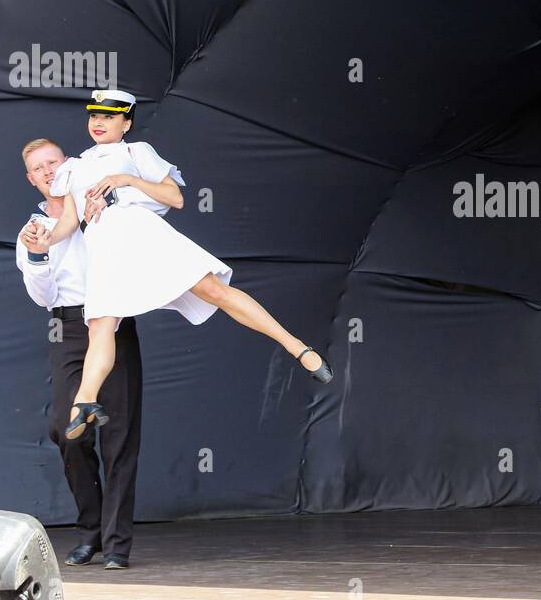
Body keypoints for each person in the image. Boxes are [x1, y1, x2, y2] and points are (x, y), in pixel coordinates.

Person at [43, 88, 332, 441]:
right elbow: (69, 222)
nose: (99, 122)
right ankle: (84, 403)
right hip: (103, 245)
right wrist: (42, 241)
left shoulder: (136, 152)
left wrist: (126, 180)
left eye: (109, 116)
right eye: (95, 116)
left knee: (213, 291)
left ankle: (297, 347)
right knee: (100, 325)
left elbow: (175, 197)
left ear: (126, 123)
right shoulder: (74, 167)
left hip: (138, 230)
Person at [17, 138, 143, 569]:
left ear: (68, 164)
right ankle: (90, 531)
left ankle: (118, 545)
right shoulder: (32, 229)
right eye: (39, 168)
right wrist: (37, 254)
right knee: (67, 429)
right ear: (32, 179)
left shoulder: (101, 207)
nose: (48, 171)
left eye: (53, 161)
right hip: (68, 327)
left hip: (113, 319)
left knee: (120, 433)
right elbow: (42, 296)